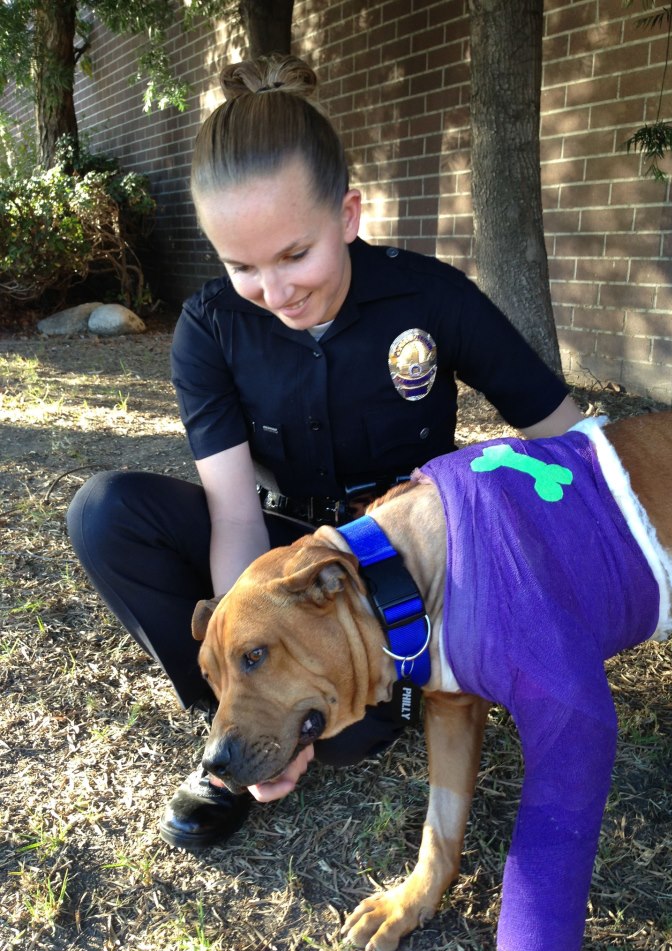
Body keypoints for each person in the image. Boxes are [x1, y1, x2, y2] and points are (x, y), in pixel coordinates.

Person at [67, 53, 584, 852]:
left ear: (348, 213)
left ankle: (334, 711)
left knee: (347, 739)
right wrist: (255, 695)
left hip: (397, 579)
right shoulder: (210, 328)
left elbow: (568, 438)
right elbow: (235, 513)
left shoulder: (431, 298)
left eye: (294, 255)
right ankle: (233, 736)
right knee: (107, 514)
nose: (274, 294)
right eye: (242, 266)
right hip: (282, 554)